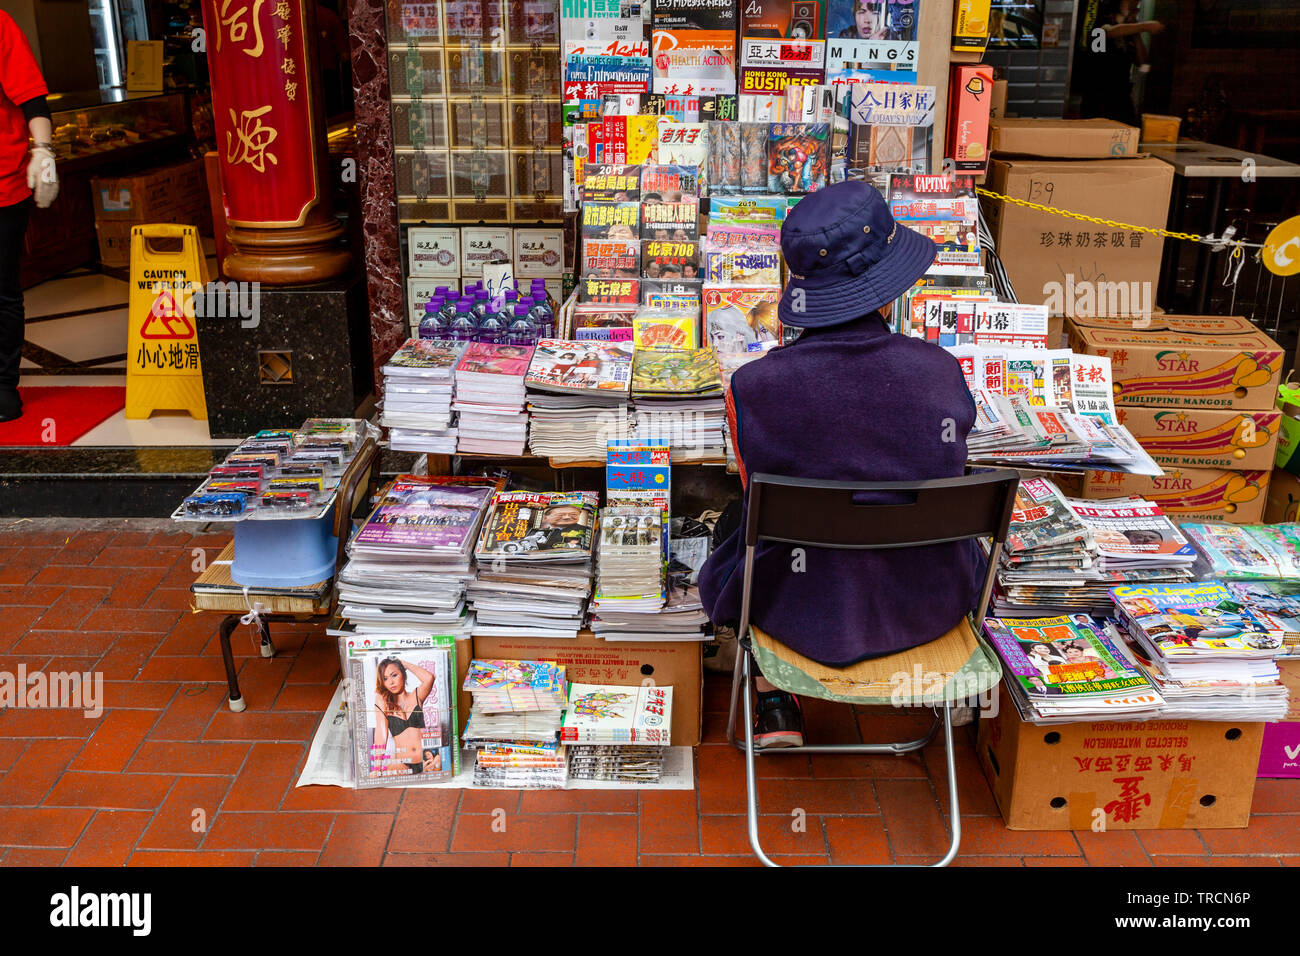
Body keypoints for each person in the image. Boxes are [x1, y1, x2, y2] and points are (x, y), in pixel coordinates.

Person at [699, 180, 980, 749]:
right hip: (929, 604)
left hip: (799, 611)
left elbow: (757, 480)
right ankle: (958, 694)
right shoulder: (939, 370)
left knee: (737, 522)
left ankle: (777, 703)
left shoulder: (756, 386)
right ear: (885, 292)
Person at [0, 11, 58, 424]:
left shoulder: (0, 25)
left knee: (1, 290)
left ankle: (3, 387)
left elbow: (32, 99)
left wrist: (43, 151)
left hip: (2, 184)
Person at [1076, 0, 1163, 126]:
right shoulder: (1102, 18)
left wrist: (1136, 33)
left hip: (1121, 96)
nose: (1135, 3)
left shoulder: (1130, 31)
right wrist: (1144, 27)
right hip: (1097, 95)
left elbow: (1142, 63)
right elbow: (1107, 32)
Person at [371, 658, 439, 774]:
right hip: (403, 764)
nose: (391, 682)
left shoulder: (416, 696)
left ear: (403, 674)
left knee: (439, 763)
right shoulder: (384, 702)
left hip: (425, 760)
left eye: (394, 675)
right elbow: (381, 735)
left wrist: (406, 664)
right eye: (385, 679)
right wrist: (377, 768)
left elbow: (429, 678)